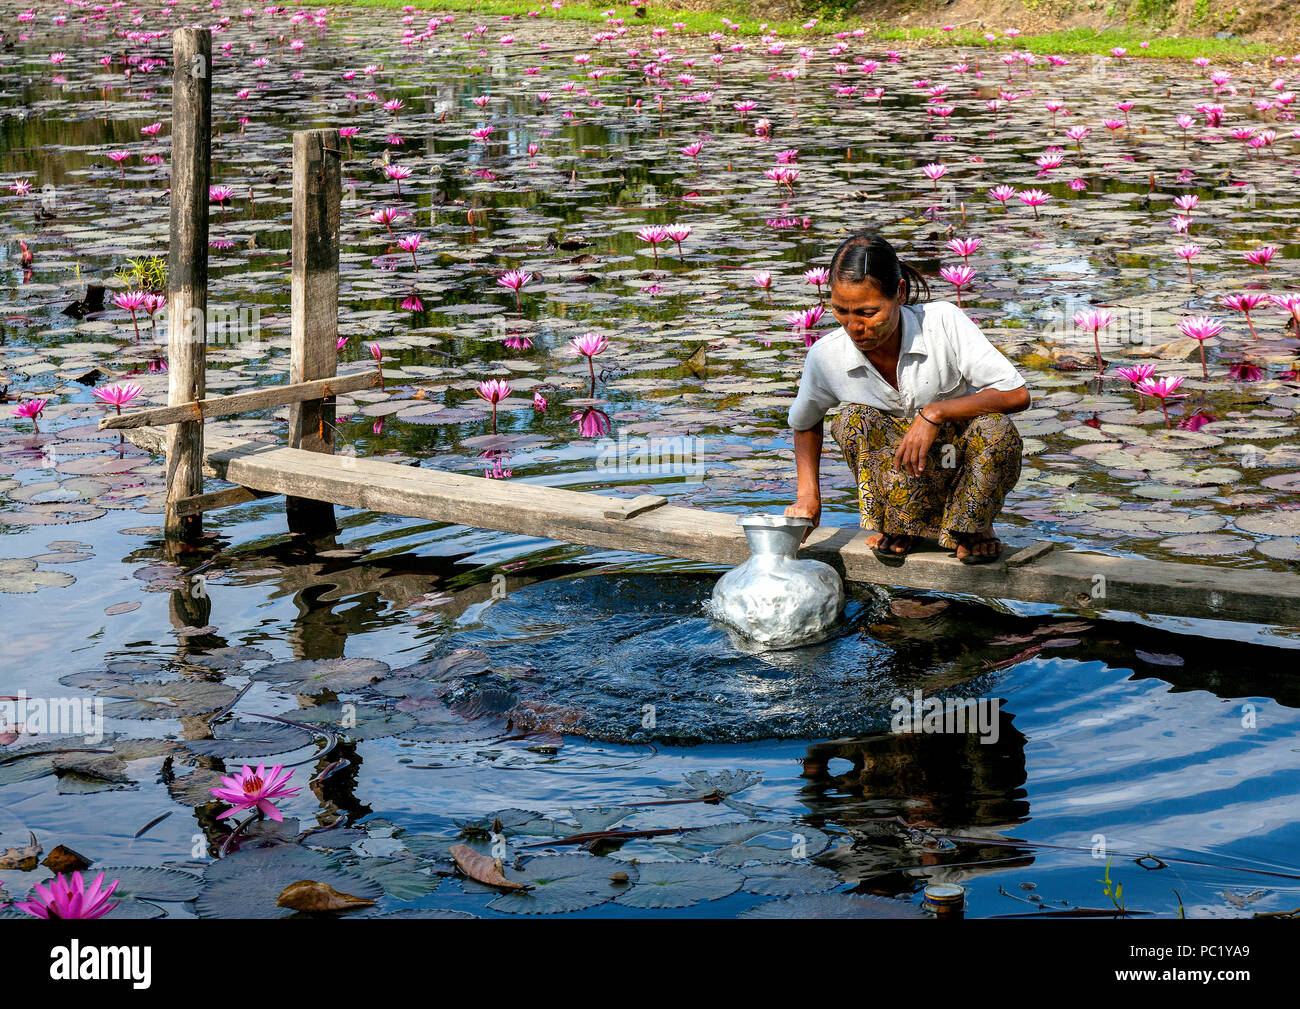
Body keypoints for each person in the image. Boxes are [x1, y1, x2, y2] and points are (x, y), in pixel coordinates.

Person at [784, 231, 1030, 565]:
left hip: (956, 465)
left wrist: (935, 413)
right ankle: (901, 524)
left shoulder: (943, 322)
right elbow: (805, 421)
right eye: (841, 311)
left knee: (995, 429)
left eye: (868, 312)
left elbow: (1016, 394)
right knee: (852, 420)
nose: (854, 327)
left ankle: (971, 527)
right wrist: (809, 496)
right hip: (902, 475)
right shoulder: (826, 357)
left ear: (899, 293)